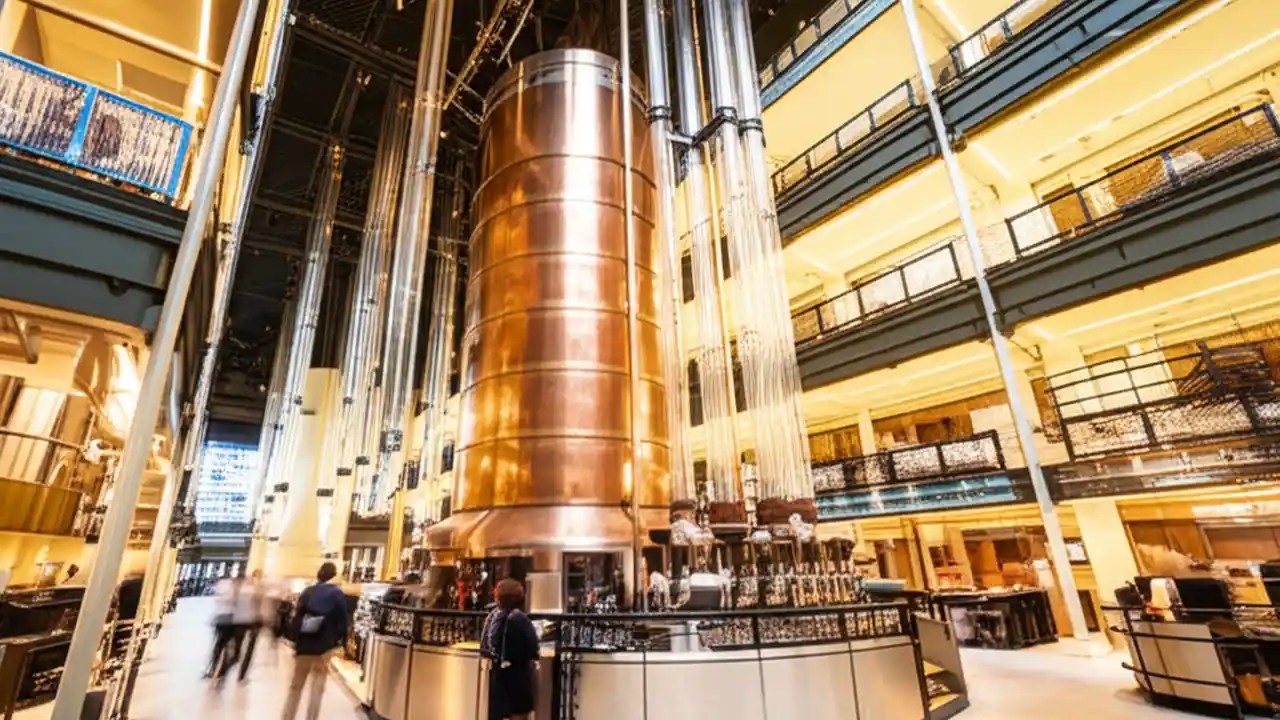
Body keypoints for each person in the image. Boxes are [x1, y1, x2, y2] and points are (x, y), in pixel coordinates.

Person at [281, 562, 348, 720]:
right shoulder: (337, 594)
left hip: (304, 645)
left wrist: (295, 639)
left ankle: (287, 717)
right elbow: (343, 621)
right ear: (334, 575)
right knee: (317, 688)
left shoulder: (307, 592)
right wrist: (338, 641)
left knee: (295, 687)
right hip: (324, 647)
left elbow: (297, 616)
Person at [480, 579, 539, 720]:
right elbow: (533, 648)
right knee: (519, 714)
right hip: (517, 676)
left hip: (496, 675)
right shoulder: (520, 618)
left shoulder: (491, 616)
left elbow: (484, 646)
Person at [206, 572, 243, 685]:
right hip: (230, 620)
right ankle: (221, 670)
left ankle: (214, 669)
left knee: (218, 646)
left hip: (223, 620)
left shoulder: (223, 586)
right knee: (224, 646)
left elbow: (220, 601)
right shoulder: (234, 588)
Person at [235, 571, 265, 682]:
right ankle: (241, 674)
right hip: (253, 621)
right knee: (249, 649)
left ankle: (237, 667)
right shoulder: (257, 589)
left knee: (242, 647)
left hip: (243, 620)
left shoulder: (244, 588)